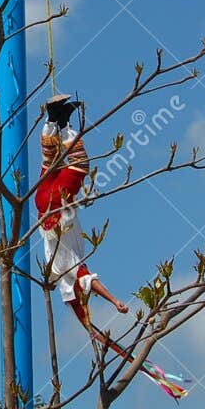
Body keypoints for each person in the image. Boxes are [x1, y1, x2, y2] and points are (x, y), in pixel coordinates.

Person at [32, 93, 131, 330]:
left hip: (56, 207)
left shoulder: (70, 267)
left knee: (78, 166)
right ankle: (55, 121)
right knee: (50, 161)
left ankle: (61, 124)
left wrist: (115, 301)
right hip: (42, 205)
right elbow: (56, 284)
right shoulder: (52, 267)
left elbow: (87, 281)